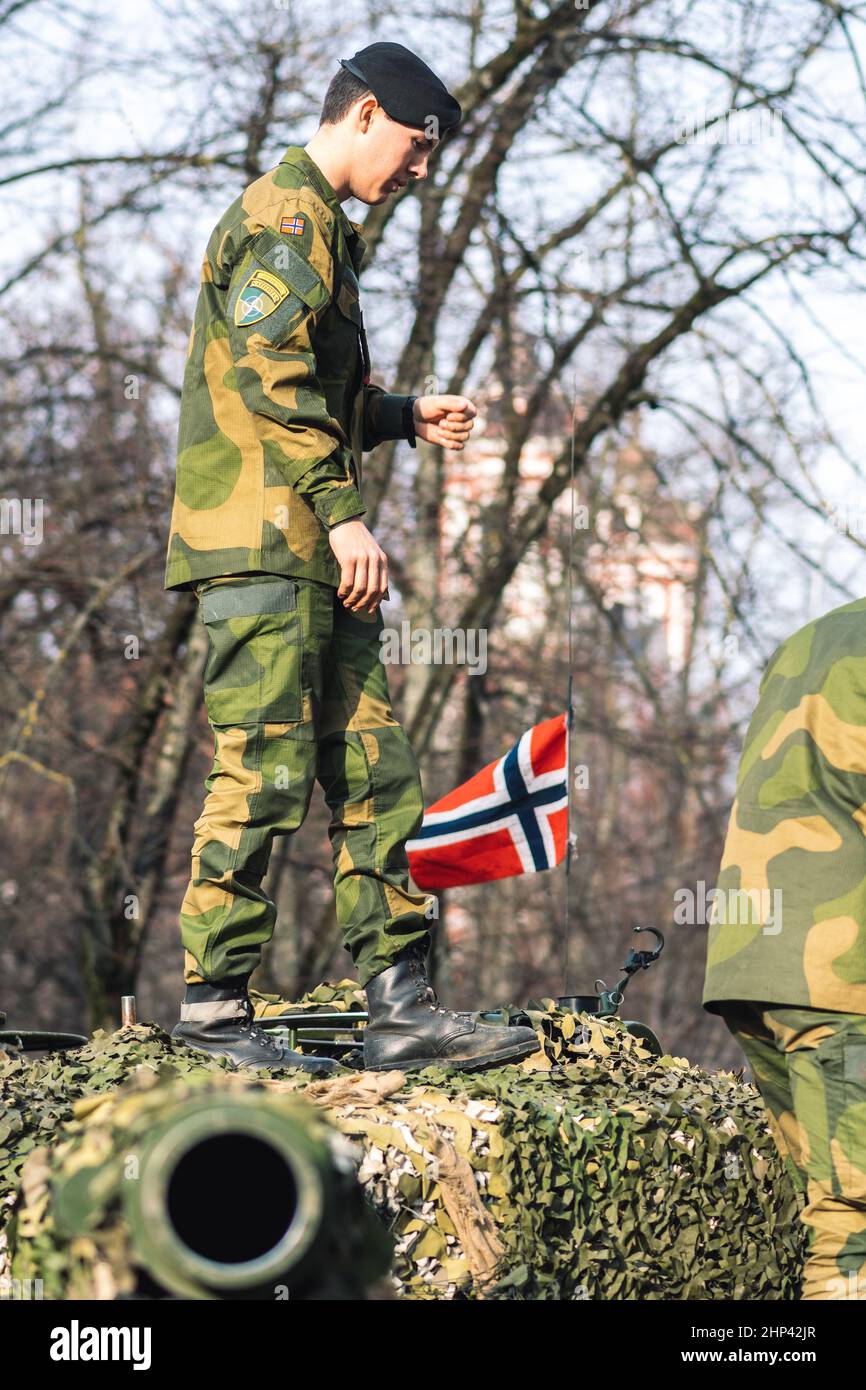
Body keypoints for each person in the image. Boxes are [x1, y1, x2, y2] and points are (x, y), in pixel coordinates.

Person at [164, 41, 539, 1076]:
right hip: (264, 545)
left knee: (376, 768)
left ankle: (401, 1004)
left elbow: (316, 398)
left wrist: (404, 415)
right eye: (416, 148)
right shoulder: (283, 221)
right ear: (365, 115)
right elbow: (270, 380)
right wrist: (341, 516)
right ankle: (212, 1012)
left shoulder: (327, 228)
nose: (420, 171)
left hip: (315, 549)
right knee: (267, 768)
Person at [703, 595, 866, 1299]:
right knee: (852, 1226)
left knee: (826, 1200)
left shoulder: (811, 635)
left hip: (755, 960)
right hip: (840, 977)